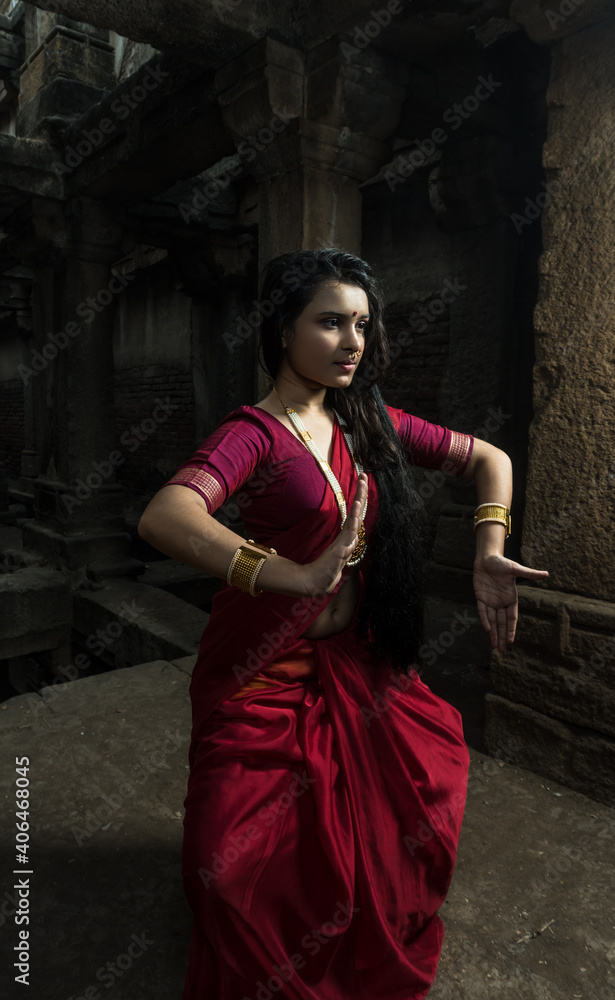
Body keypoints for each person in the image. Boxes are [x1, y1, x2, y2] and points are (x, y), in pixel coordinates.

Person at [137, 247, 548, 999]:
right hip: (259, 669)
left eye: (361, 324)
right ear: (282, 331)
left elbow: (489, 458)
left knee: (418, 792)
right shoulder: (253, 434)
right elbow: (167, 513)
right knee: (228, 868)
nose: (352, 341)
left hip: (357, 663)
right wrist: (291, 574)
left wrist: (489, 545)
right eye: (330, 322)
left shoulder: (373, 424)